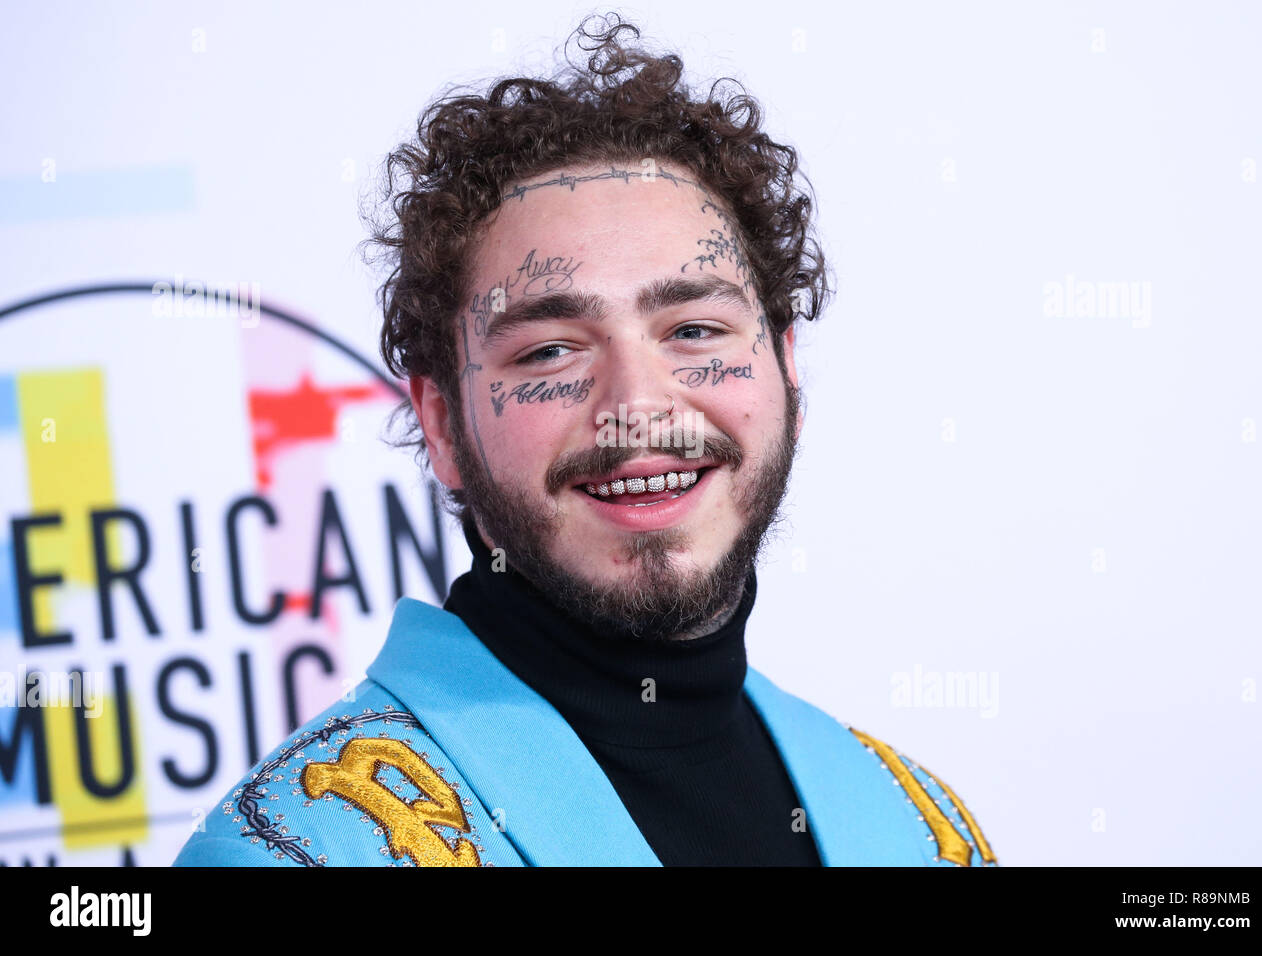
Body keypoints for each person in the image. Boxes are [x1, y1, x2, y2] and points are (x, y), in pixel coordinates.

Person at [174, 14, 996, 868]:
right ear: (443, 424)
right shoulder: (298, 849)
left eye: (695, 329)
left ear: (785, 368)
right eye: (550, 350)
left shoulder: (922, 824)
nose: (637, 406)